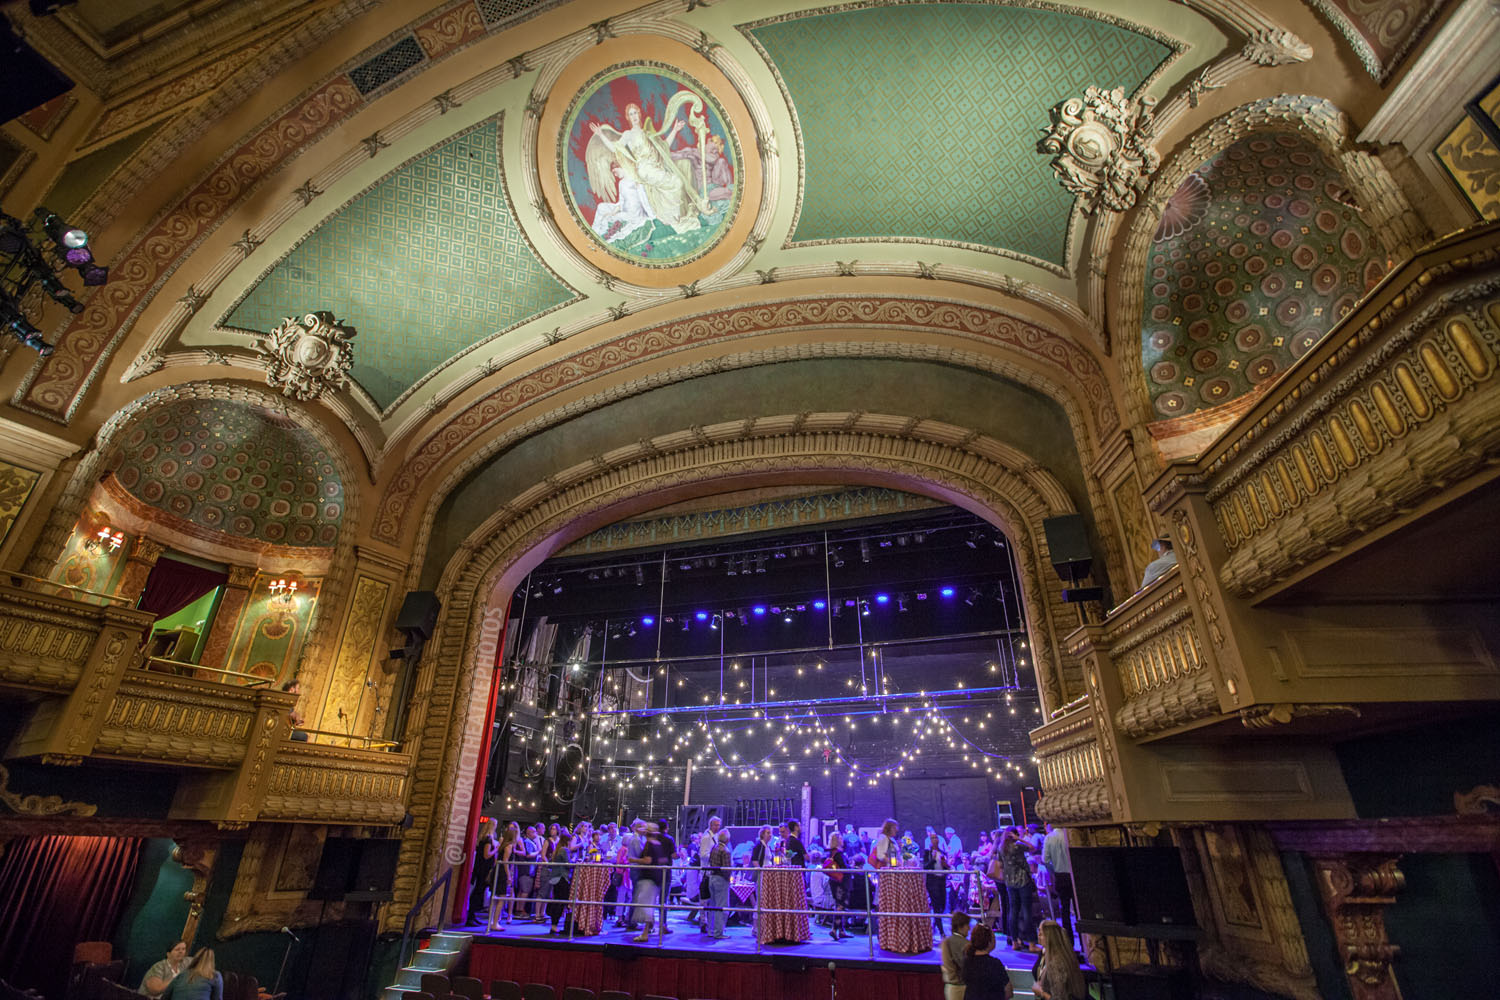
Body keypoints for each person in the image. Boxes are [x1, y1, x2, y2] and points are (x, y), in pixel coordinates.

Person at [585, 98, 711, 239]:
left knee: (684, 165)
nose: (634, 117)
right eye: (631, 114)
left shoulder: (648, 134)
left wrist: (675, 130)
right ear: (628, 117)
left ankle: (674, 216)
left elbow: (664, 148)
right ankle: (672, 218)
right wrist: (601, 135)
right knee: (676, 182)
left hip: (656, 167)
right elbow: (615, 148)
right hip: (645, 169)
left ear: (640, 114)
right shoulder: (628, 135)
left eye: (635, 113)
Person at [1000, 829, 1038, 952]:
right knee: (1027, 911)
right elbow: (1033, 848)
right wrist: (1020, 839)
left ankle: (1015, 941)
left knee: (1013, 911)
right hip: (1023, 881)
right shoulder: (1017, 847)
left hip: (1010, 882)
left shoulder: (1002, 848)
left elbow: (1001, 865)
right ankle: (1032, 943)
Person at [1033, 919, 1086, 1000]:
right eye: (1039, 931)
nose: (1038, 935)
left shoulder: (1056, 963)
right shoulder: (1045, 953)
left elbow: (1059, 998)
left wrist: (1041, 993)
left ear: (1050, 938)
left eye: (1042, 933)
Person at [1042, 823, 1075, 946]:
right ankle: (1086, 944)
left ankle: (1069, 942)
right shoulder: (1070, 835)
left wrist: (1053, 871)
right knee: (1080, 910)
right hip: (1074, 874)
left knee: (1065, 910)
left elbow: (1045, 860)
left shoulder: (1049, 838)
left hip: (1060, 875)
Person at [962, 925, 1014, 1000]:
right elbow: (1008, 991)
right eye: (994, 938)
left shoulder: (966, 961)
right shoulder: (995, 964)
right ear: (989, 942)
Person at [704, 829, 732, 940]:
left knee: (713, 906)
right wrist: (728, 879)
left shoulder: (714, 848)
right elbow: (726, 869)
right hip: (721, 880)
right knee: (722, 907)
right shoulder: (726, 851)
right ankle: (719, 932)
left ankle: (711, 930)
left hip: (712, 878)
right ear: (728, 839)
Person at [543, 832, 573, 934]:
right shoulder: (564, 850)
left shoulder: (557, 849)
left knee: (557, 901)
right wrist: (575, 861)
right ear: (568, 841)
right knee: (561, 903)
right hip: (562, 878)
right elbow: (568, 864)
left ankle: (553, 924)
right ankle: (555, 924)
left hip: (555, 878)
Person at [469, 818, 498, 923]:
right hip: (484, 869)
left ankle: (472, 915)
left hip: (479, 867)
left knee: (479, 890)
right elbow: (487, 855)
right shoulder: (488, 839)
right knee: (479, 891)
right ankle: (471, 915)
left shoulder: (482, 838)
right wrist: (496, 849)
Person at [923, 832, 951, 936]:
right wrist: (933, 860)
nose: (935, 840)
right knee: (936, 906)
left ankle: (935, 923)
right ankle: (942, 932)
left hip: (941, 881)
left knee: (943, 905)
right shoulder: (927, 853)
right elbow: (925, 867)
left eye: (936, 837)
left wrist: (946, 865)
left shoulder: (942, 852)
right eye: (932, 838)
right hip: (932, 882)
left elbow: (946, 867)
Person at [825, 831, 850, 940]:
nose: (842, 839)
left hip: (834, 881)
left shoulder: (831, 853)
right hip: (841, 883)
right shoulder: (839, 854)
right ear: (837, 840)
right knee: (841, 905)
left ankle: (841, 930)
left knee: (839, 904)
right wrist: (851, 866)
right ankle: (834, 929)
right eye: (840, 838)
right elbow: (844, 868)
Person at [941, 911, 972, 1000]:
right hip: (960, 988)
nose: (969, 928)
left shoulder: (946, 941)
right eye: (967, 925)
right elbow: (965, 965)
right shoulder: (964, 944)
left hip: (949, 988)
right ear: (960, 926)